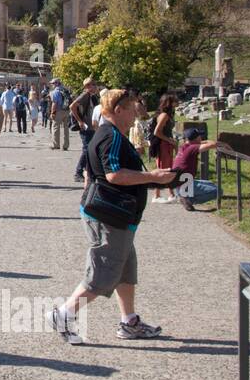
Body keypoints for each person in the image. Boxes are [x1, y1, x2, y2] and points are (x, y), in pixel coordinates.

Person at [49, 88, 177, 345]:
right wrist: (152, 177)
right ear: (118, 110)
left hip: (116, 214)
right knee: (104, 272)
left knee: (126, 269)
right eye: (132, 109)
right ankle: (64, 314)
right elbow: (114, 175)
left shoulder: (109, 133)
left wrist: (152, 179)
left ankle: (129, 321)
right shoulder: (111, 136)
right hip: (109, 215)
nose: (136, 114)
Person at [170, 127, 229, 210]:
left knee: (210, 184)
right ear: (196, 138)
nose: (201, 138)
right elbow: (212, 145)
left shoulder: (184, 147)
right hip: (185, 185)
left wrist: (204, 142)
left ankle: (183, 196)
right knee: (218, 191)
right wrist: (223, 144)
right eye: (199, 136)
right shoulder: (192, 148)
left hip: (179, 183)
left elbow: (202, 143)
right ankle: (188, 200)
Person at [69, 77, 100, 184]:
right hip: (86, 127)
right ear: (87, 86)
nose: (95, 86)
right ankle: (78, 172)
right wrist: (79, 121)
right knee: (87, 149)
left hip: (91, 127)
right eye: (93, 85)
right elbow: (72, 106)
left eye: (95, 84)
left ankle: (88, 171)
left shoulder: (93, 96)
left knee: (90, 149)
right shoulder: (85, 95)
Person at [151, 93, 179, 203]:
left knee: (166, 169)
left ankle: (168, 194)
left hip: (166, 144)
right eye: (174, 101)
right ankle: (157, 196)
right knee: (164, 169)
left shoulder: (167, 114)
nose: (177, 103)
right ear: (169, 102)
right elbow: (156, 132)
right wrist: (169, 140)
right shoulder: (164, 115)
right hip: (163, 145)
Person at [49, 79, 70, 151]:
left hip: (58, 111)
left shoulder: (55, 92)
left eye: (52, 84)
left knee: (55, 127)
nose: (51, 85)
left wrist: (52, 113)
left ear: (56, 84)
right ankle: (66, 145)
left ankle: (56, 145)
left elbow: (54, 103)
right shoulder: (65, 90)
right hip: (66, 110)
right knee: (66, 129)